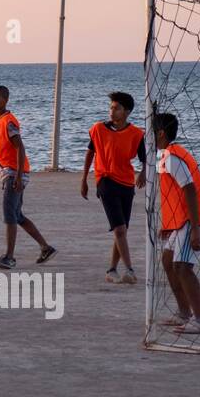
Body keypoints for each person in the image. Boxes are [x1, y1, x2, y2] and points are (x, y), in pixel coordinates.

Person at [153, 112, 200, 335]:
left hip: (196, 218)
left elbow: (189, 189)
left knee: (183, 267)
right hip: (182, 220)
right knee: (168, 258)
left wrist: (196, 230)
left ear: (160, 133)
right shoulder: (165, 156)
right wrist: (170, 223)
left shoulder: (173, 157)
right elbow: (174, 194)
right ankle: (184, 313)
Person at [80, 91, 146, 284]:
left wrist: (143, 173)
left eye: (116, 108)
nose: (112, 111)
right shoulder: (98, 129)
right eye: (111, 107)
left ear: (127, 112)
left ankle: (111, 270)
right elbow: (90, 153)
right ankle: (130, 270)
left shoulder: (136, 134)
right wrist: (84, 179)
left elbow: (145, 158)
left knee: (122, 229)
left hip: (126, 183)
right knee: (119, 230)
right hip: (105, 181)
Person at [0, 86, 56, 269]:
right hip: (9, 171)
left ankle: (9, 257)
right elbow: (6, 149)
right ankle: (45, 247)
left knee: (9, 216)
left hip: (14, 174)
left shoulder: (9, 121)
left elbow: (20, 147)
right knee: (17, 215)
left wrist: (17, 175)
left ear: (5, 100)